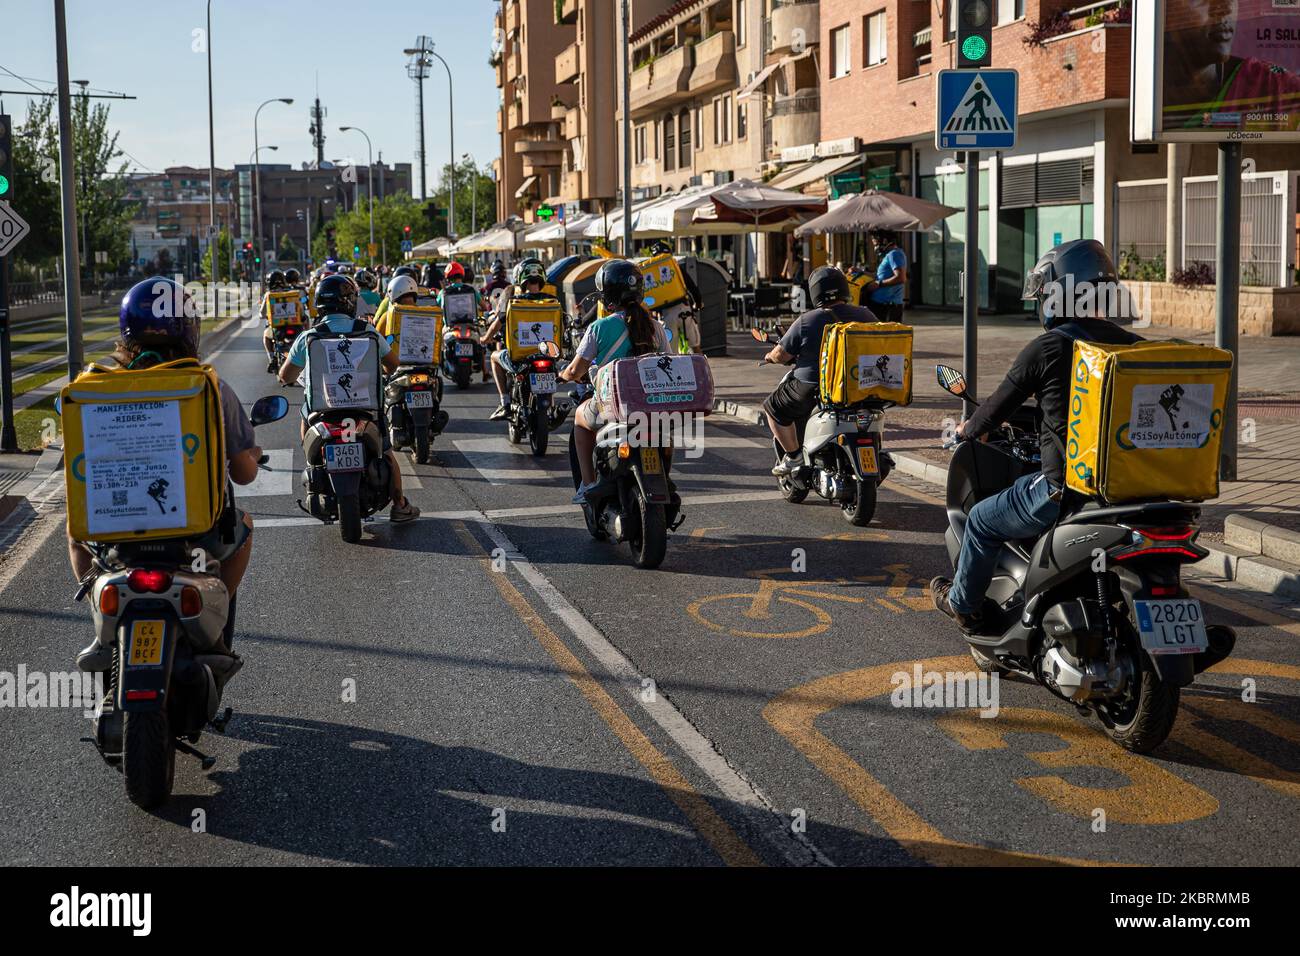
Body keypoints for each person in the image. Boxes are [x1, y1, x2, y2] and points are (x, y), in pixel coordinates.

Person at [929, 239, 1143, 632]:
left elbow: (994, 409)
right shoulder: (1135, 347)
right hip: (1134, 490)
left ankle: (963, 604)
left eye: (1044, 294)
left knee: (980, 519)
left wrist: (967, 430)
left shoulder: (1049, 347)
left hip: (1066, 488)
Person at [71, 278, 263, 669]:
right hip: (194, 534)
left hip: (117, 532)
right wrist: (251, 454)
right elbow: (243, 476)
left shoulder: (96, 388)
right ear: (189, 331)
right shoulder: (211, 388)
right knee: (243, 529)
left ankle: (98, 623)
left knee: (75, 534)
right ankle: (214, 617)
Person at [277, 273, 420, 523]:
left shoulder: (309, 336)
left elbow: (285, 375)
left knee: (304, 414)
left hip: (322, 413)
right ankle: (399, 505)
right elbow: (393, 365)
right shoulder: (369, 331)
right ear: (350, 302)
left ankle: (314, 461)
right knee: (386, 453)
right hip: (367, 411)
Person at [559, 259, 669, 504]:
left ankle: (587, 485)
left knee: (579, 418)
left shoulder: (599, 328)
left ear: (607, 296)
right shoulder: (656, 328)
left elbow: (577, 370)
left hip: (613, 408)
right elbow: (669, 362)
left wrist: (565, 374)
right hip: (652, 408)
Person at [761, 266, 878, 478]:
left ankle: (794, 455)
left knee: (773, 407)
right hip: (862, 385)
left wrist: (770, 357)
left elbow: (782, 355)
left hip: (815, 387)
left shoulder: (808, 320)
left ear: (815, 292)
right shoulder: (866, 314)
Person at [480, 259, 554, 421]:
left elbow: (497, 324)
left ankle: (505, 403)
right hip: (548, 355)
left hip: (519, 357)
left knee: (493, 358)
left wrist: (485, 339)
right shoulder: (552, 301)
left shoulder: (514, 301)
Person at [646, 239, 703, 354]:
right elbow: (691, 286)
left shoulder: (651, 272)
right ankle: (701, 369)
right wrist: (698, 302)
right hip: (683, 309)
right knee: (695, 346)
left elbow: (650, 297)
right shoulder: (674, 267)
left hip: (666, 314)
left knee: (670, 351)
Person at [862, 230, 908, 323]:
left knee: (883, 336)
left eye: (875, 243)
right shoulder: (889, 255)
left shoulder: (895, 254)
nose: (875, 247)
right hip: (881, 304)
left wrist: (879, 284)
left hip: (887, 306)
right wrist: (861, 272)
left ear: (885, 241)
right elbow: (879, 276)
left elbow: (901, 278)